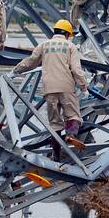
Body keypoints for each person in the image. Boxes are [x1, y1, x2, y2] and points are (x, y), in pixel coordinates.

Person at [13, 19, 86, 160]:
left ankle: (56, 155)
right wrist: (83, 86)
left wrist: (16, 70)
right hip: (66, 86)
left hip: (49, 88)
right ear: (66, 33)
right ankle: (71, 135)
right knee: (73, 116)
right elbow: (76, 70)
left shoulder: (44, 45)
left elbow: (30, 62)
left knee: (54, 124)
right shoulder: (70, 46)